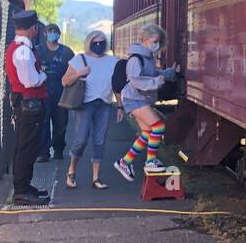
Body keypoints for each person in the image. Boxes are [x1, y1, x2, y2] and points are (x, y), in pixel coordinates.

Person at [113, 24, 180, 183]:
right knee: (158, 125)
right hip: (134, 99)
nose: (156, 44)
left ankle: (124, 162)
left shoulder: (146, 57)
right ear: (144, 39)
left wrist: (170, 73)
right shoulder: (136, 58)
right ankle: (150, 162)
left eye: (158, 42)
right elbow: (136, 80)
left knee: (147, 133)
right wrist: (156, 82)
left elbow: (154, 73)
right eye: (154, 41)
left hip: (138, 99)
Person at [60, 30, 122, 190]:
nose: (99, 45)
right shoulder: (79, 60)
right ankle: (72, 170)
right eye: (96, 42)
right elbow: (65, 81)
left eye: (102, 42)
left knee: (99, 141)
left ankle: (95, 178)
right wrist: (80, 73)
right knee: (81, 139)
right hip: (85, 104)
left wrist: (120, 105)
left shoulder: (113, 61)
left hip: (105, 104)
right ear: (89, 43)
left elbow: (116, 86)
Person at [5, 9, 50, 205]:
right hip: (28, 103)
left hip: (26, 103)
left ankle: (24, 186)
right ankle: (21, 190)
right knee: (27, 147)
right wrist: (44, 76)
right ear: (33, 27)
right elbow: (30, 80)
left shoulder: (20, 47)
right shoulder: (23, 51)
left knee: (29, 146)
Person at [35, 22, 74, 162]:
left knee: (61, 123)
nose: (53, 34)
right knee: (43, 123)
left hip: (62, 93)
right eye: (50, 31)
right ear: (45, 34)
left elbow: (75, 69)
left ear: (59, 34)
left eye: (55, 32)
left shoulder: (67, 52)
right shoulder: (38, 50)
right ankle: (43, 152)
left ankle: (58, 149)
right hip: (43, 93)